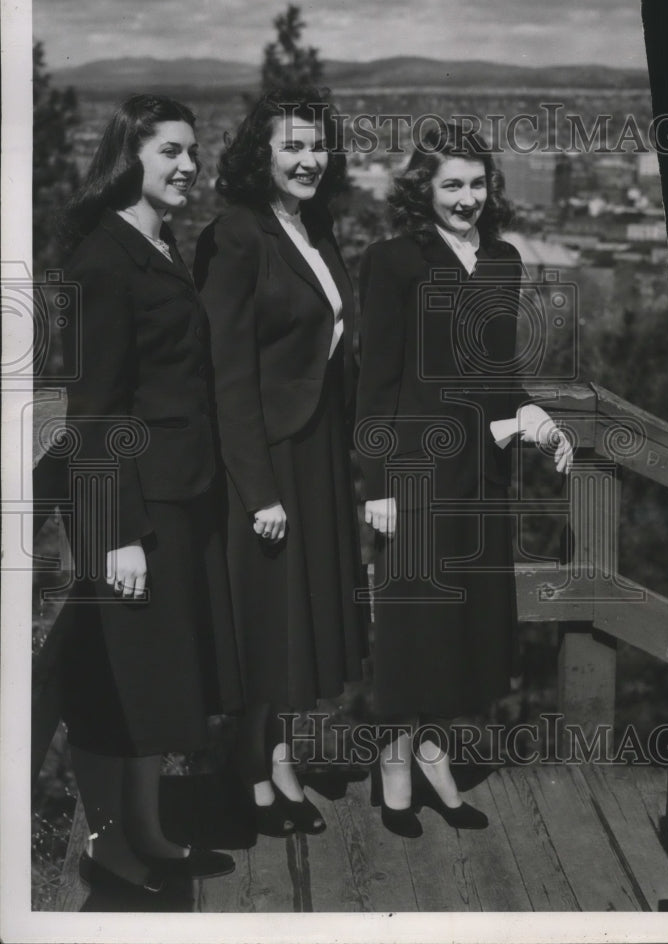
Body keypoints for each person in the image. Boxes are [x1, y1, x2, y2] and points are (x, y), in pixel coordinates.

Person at [355, 122, 573, 837]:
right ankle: (393, 763)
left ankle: (434, 751)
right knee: (413, 627)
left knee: (469, 626)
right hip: (414, 471)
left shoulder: (503, 261)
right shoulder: (392, 262)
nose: (467, 197)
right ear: (424, 188)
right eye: (451, 183)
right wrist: (378, 485)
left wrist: (537, 421)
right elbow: (377, 381)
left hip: (482, 475)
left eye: (477, 183)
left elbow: (501, 378)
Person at [55, 94, 241, 899]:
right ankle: (108, 849)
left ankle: (149, 829)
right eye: (171, 151)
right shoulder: (103, 258)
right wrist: (117, 531)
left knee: (153, 681)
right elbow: (95, 409)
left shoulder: (156, 244)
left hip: (178, 494)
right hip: (135, 506)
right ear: (130, 154)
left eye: (193, 153)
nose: (189, 167)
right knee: (117, 687)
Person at [194, 88, 366, 836]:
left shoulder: (314, 227)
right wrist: (258, 489)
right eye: (291, 145)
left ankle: (273, 758)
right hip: (261, 462)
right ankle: (252, 769)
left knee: (288, 621)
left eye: (317, 144)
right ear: (258, 155)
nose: (307, 158)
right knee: (265, 621)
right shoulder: (235, 236)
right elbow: (223, 376)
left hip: (316, 450)